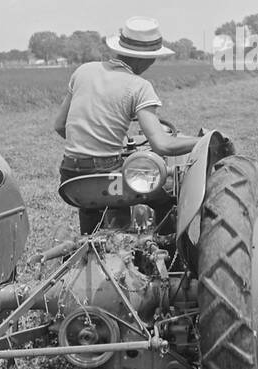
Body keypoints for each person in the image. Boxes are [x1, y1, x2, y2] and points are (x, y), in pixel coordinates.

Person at [52, 16, 201, 233]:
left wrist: (93, 143)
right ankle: (169, 255)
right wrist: (203, 140)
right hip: (107, 172)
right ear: (147, 59)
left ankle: (89, 244)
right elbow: (162, 145)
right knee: (165, 200)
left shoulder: (83, 71)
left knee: (90, 202)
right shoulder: (139, 86)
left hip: (70, 176)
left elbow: (59, 125)